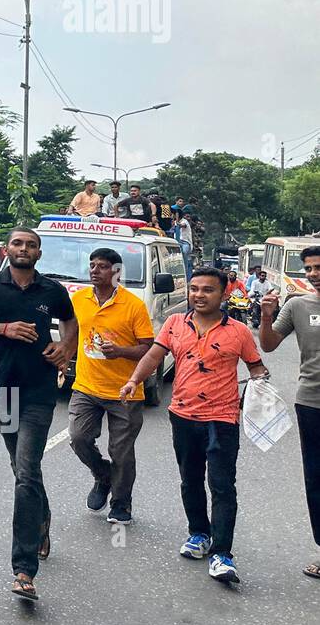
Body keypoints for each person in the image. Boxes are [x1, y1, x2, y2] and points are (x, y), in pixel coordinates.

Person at [121, 268, 268, 584]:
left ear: (224, 294)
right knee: (190, 480)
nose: (199, 295)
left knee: (222, 485)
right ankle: (198, 534)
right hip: (183, 416)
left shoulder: (239, 332)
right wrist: (134, 380)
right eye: (194, 289)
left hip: (223, 418)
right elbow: (154, 355)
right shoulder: (174, 324)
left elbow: (256, 367)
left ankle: (222, 554)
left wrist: (257, 387)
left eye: (208, 290)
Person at [0, 227, 77, 602]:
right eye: (17, 244)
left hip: (40, 392)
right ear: (7, 250)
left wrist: (66, 349)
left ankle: (23, 570)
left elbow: (71, 321)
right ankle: (41, 519)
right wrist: (3, 328)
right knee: (19, 467)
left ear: (39, 253)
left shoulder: (52, 290)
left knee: (26, 471)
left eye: (31, 245)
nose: (24, 249)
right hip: (5, 390)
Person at [67, 247, 155, 525]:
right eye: (92, 265)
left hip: (124, 391)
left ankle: (121, 503)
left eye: (102, 266)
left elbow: (149, 349)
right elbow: (70, 330)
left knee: (121, 451)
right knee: (79, 438)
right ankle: (102, 475)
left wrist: (120, 351)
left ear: (116, 272)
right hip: (86, 386)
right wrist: (62, 357)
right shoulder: (79, 299)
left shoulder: (133, 305)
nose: (94, 270)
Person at [258, 246, 320, 581]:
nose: (312, 274)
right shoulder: (298, 306)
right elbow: (268, 345)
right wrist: (267, 315)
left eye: (318, 268)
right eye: (308, 269)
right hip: (312, 402)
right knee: (316, 479)